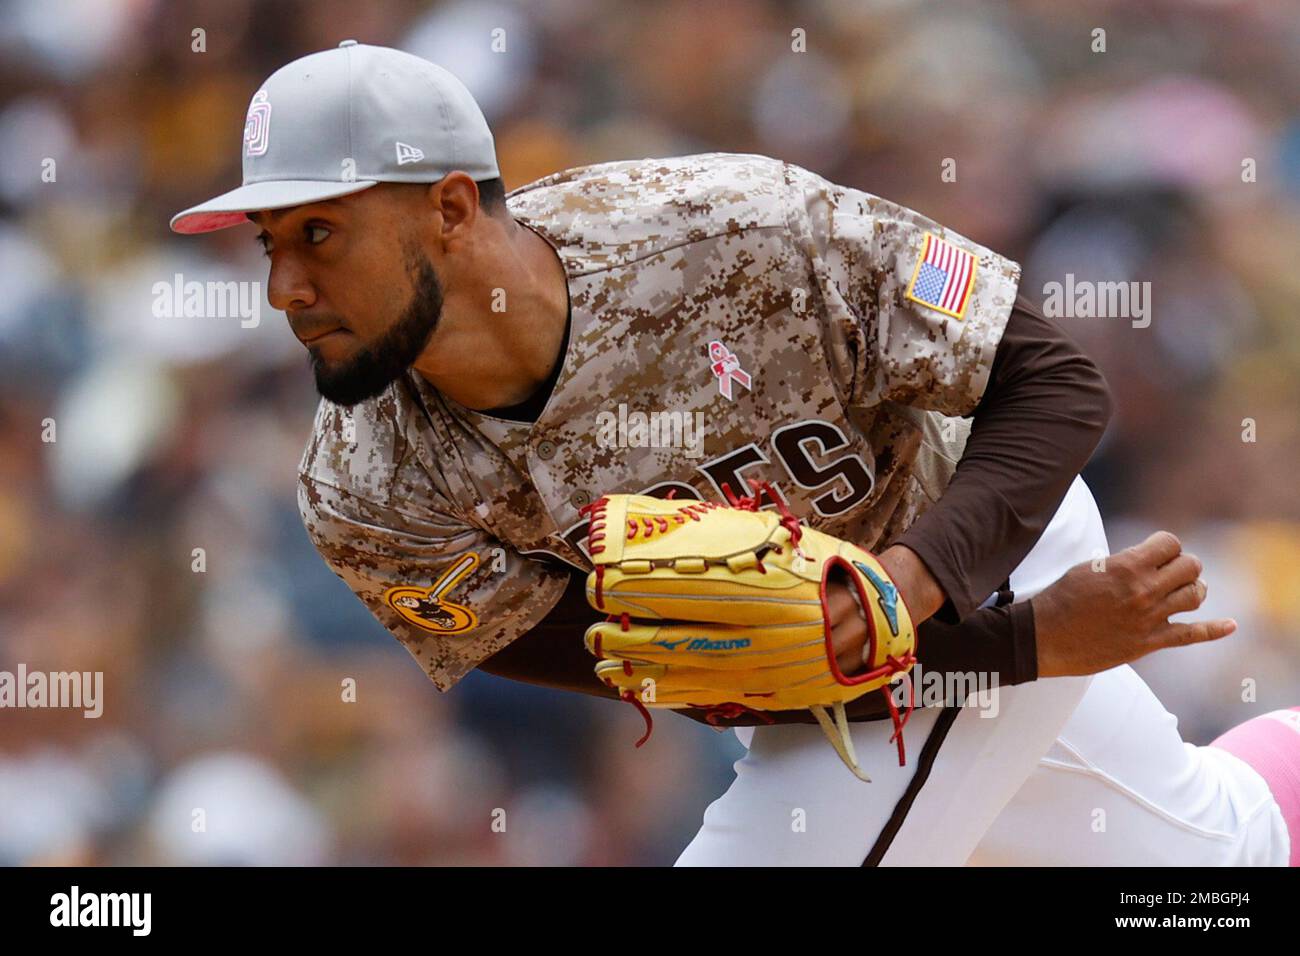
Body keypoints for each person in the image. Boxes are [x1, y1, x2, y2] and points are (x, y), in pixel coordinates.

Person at [171, 42, 1295, 866]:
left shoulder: (727, 229)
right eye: (271, 244)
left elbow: (1053, 381)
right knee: (1222, 855)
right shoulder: (365, 491)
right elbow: (711, 680)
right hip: (890, 666)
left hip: (983, 533)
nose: (285, 288)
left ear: (452, 207)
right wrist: (1022, 652)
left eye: (319, 232)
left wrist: (920, 592)